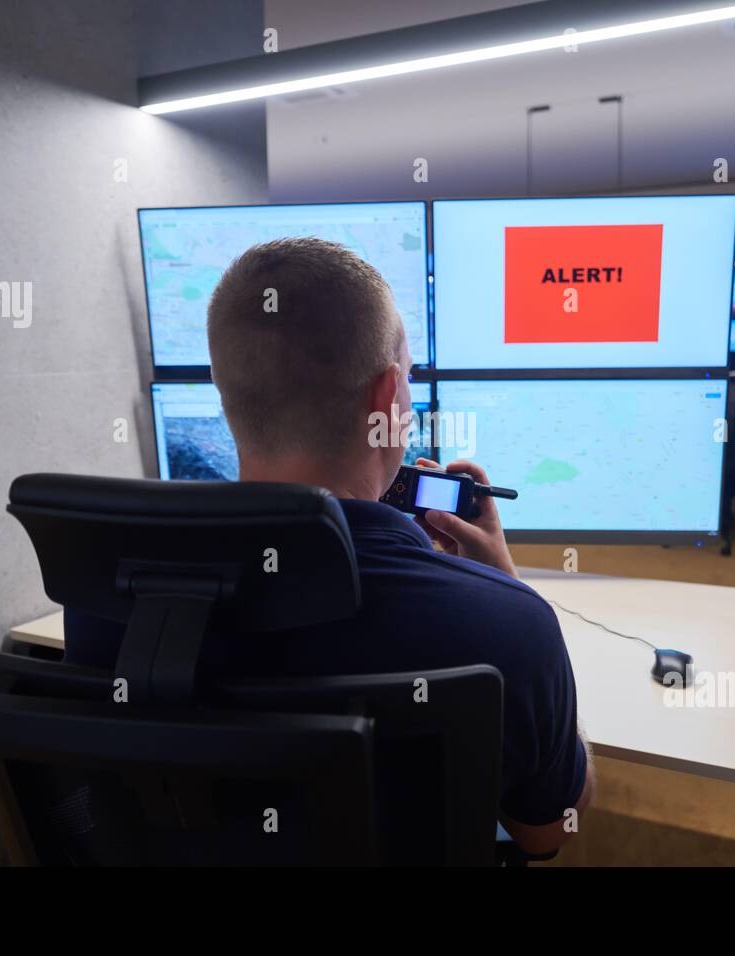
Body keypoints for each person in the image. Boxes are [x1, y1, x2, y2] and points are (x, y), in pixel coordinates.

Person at [67, 237, 593, 855]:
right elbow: (547, 829)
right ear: (387, 397)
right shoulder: (508, 626)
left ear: (224, 387)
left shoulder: (106, 596)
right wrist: (506, 587)